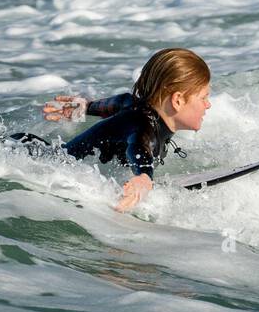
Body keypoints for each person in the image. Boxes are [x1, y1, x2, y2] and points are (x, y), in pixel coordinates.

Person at [39, 48, 211, 213]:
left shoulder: (137, 107)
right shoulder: (142, 127)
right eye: (203, 97)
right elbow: (139, 146)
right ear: (178, 100)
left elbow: (120, 101)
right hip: (47, 168)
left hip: (48, 157)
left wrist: (84, 108)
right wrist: (144, 177)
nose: (208, 104)